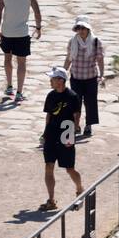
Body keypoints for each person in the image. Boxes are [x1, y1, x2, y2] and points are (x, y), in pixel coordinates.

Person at [0, 0, 42, 103]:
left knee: (7, 59)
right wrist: (38, 27)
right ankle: (19, 92)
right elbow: (37, 12)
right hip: (22, 32)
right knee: (22, 62)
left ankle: (9, 86)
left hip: (7, 31)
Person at [40, 67, 83, 211]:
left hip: (66, 135)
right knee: (48, 166)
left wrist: (75, 130)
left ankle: (80, 189)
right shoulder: (51, 96)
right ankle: (51, 200)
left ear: (60, 80)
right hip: (51, 134)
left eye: (52, 79)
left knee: (69, 169)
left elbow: (77, 115)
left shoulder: (72, 96)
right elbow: (49, 115)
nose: (50, 81)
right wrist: (45, 133)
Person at [64, 17, 104, 138]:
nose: (81, 31)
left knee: (90, 103)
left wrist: (102, 75)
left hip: (91, 77)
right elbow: (69, 58)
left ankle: (88, 125)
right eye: (79, 28)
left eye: (83, 28)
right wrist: (63, 72)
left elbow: (100, 60)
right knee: (75, 103)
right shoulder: (72, 42)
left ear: (88, 29)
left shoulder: (96, 41)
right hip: (76, 77)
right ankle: (75, 125)